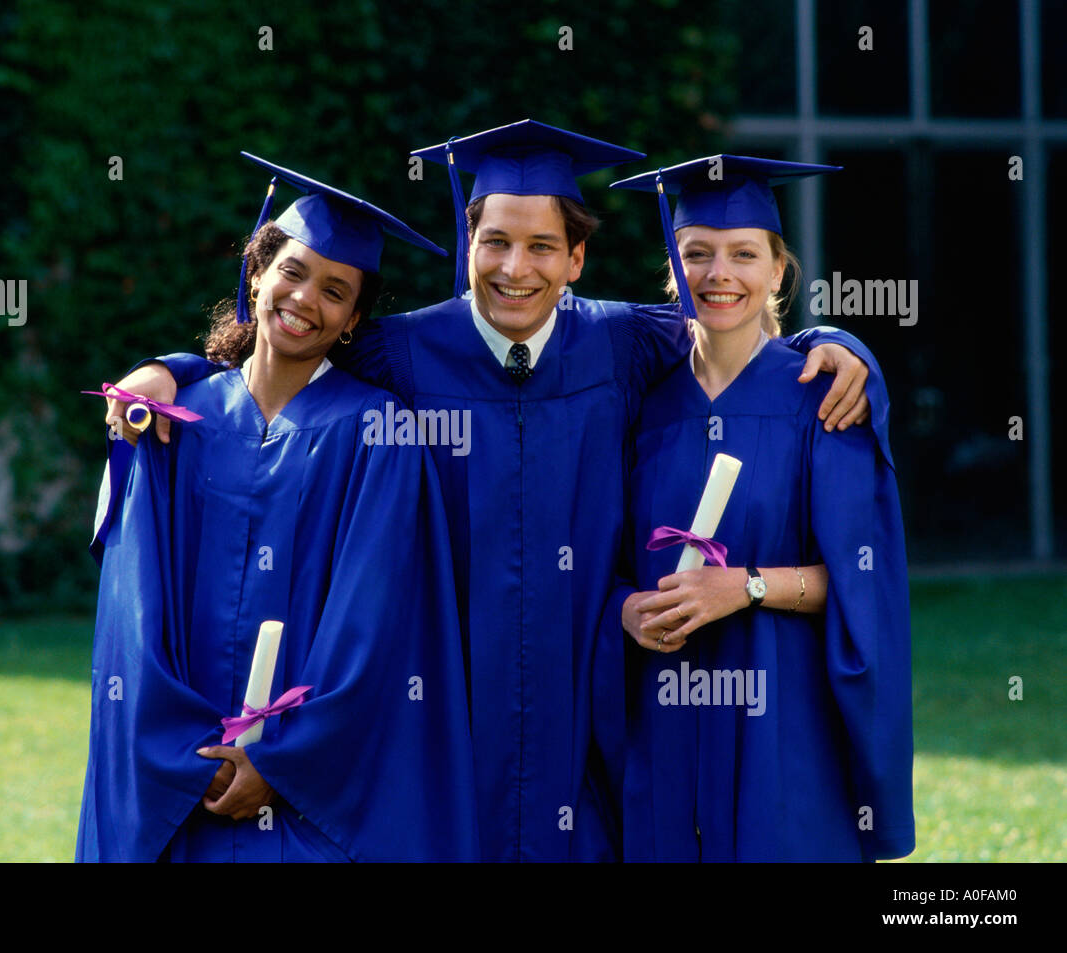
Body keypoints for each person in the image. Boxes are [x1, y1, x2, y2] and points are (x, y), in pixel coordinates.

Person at [103, 121, 882, 862]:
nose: (516, 267)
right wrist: (174, 370)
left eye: (543, 245)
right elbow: (288, 354)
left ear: (576, 258)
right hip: (442, 701)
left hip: (580, 696)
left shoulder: (620, 341)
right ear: (467, 241)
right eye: (496, 241)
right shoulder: (403, 351)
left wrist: (836, 344)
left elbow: (728, 330)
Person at [76, 155, 479, 862]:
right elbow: (132, 609)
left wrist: (283, 762)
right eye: (293, 272)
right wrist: (185, 751)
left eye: (335, 290)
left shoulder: (378, 433)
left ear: (354, 320)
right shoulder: (176, 421)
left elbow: (376, 624)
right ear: (256, 273)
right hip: (187, 780)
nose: (305, 299)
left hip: (309, 797)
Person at [606, 155, 914, 861]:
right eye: (697, 254)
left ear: (778, 271)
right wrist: (627, 607)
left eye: (744, 254)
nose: (719, 274)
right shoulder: (639, 405)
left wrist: (741, 587)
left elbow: (863, 578)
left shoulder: (825, 398)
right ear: (672, 267)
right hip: (665, 713)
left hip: (784, 715)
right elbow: (602, 564)